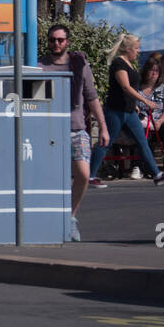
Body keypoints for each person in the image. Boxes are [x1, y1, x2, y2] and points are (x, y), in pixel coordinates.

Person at [40, 24, 108, 242]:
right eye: (52, 40)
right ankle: (50, 219)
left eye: (60, 40)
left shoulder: (79, 64)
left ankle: (70, 217)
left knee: (84, 174)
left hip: (76, 128)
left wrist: (103, 127)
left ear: (67, 42)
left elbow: (92, 97)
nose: (56, 44)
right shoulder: (39, 66)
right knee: (48, 178)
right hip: (47, 130)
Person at [89, 33, 164, 186]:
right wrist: (145, 101)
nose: (138, 51)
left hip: (129, 111)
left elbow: (129, 89)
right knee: (106, 142)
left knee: (142, 142)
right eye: (136, 48)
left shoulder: (129, 63)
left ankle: (157, 175)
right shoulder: (118, 64)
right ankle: (90, 176)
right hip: (115, 111)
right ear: (127, 49)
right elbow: (125, 87)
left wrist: (133, 103)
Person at [136, 57, 164, 178]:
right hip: (142, 121)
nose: (154, 73)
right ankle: (139, 168)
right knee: (140, 133)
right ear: (146, 71)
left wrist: (160, 121)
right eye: (151, 70)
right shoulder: (137, 88)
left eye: (156, 70)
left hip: (158, 121)